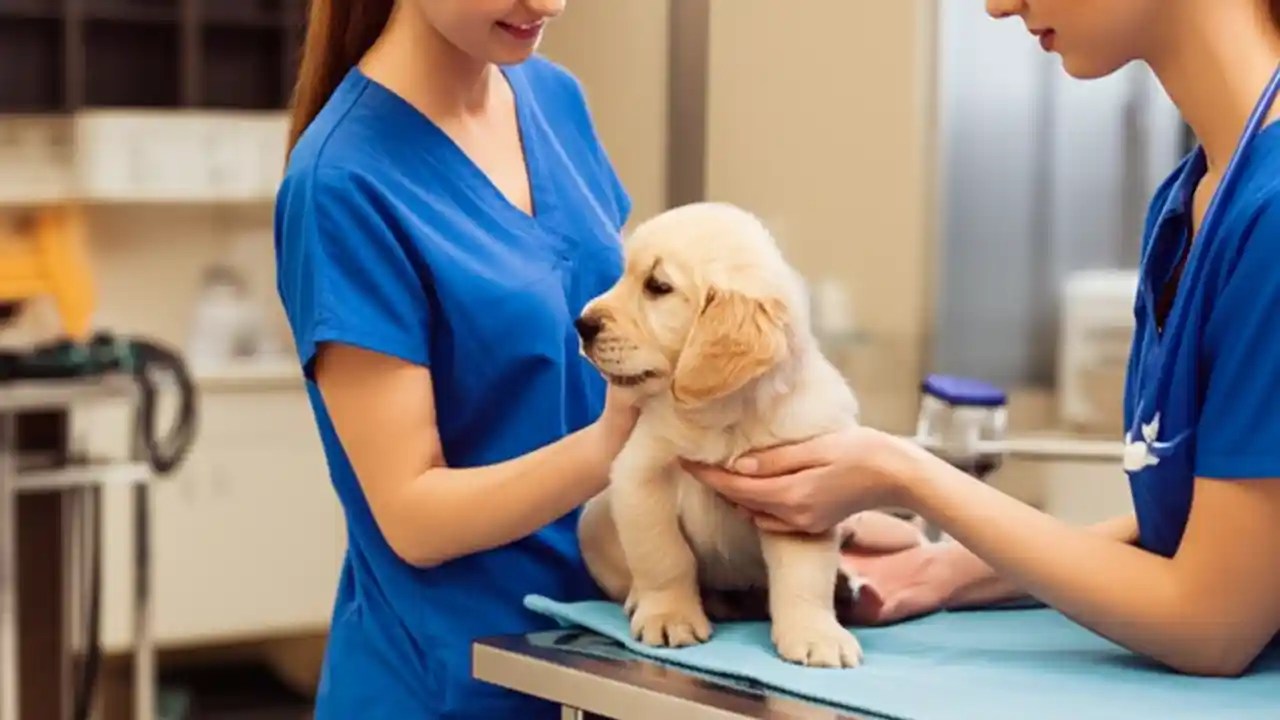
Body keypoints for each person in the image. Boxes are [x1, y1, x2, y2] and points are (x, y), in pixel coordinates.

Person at [687, 0, 1280, 678]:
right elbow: (1210, 530)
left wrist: (903, 474)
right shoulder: (1198, 197)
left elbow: (1213, 625)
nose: (997, 6)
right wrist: (947, 570)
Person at [273, 1, 638, 717]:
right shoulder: (342, 183)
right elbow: (414, 516)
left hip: (597, 656)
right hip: (455, 681)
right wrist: (615, 444)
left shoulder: (555, 99)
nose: (547, 4)